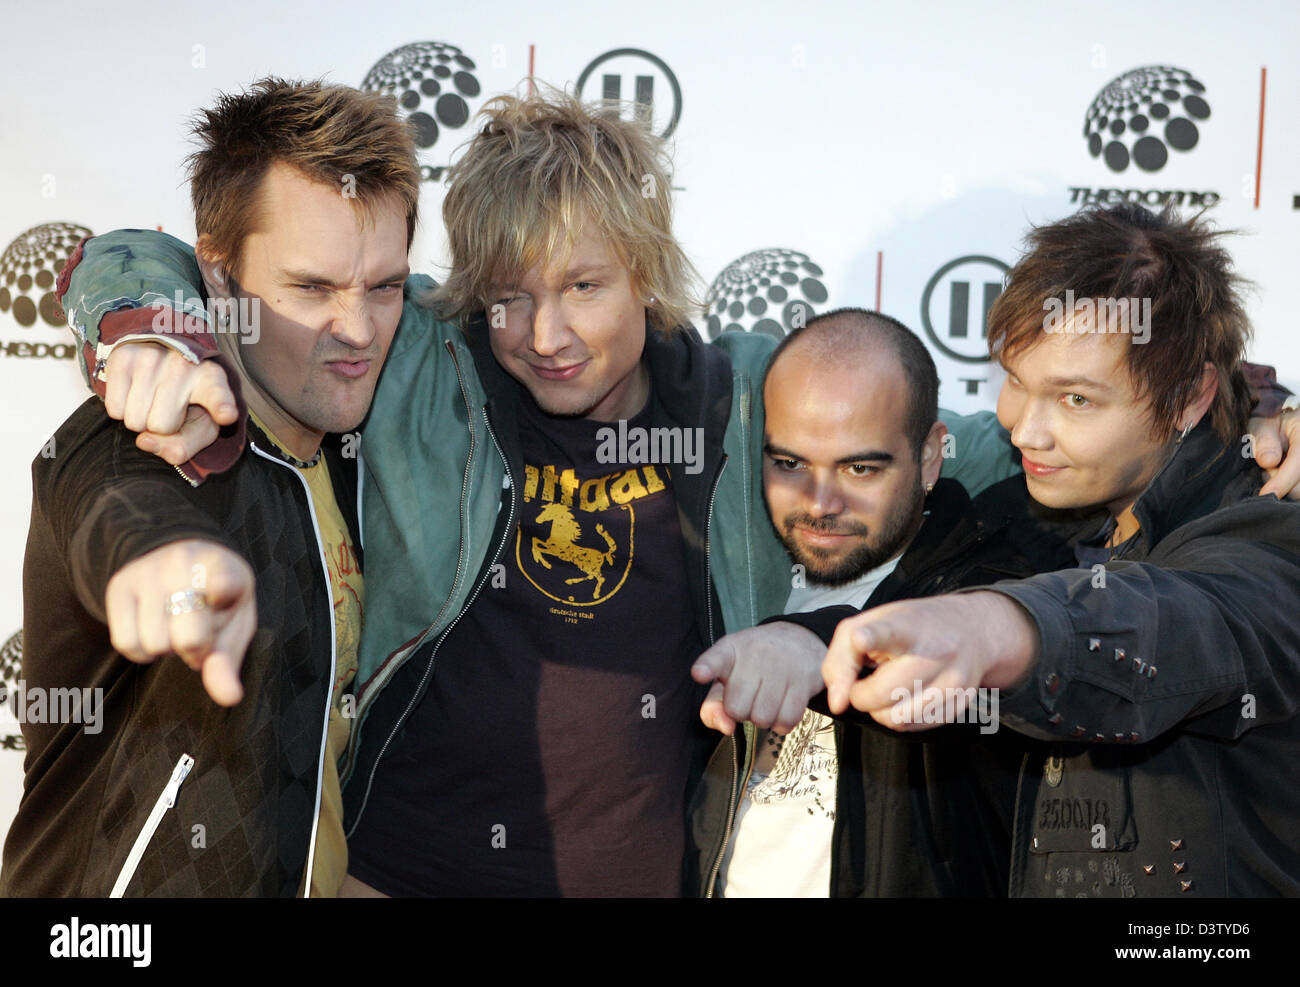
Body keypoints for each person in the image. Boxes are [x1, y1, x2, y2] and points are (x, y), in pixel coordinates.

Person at [51, 91, 1299, 895]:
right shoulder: (416, 362)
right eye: (509, 294)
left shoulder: (748, 396)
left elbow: (1007, 440)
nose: (541, 333)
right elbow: (155, 252)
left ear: (645, 272)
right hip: (394, 876)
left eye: (584, 288)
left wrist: (1250, 406)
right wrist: (150, 325)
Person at [0, 77, 418, 896]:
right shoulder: (151, 431)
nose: (360, 328)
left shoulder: (363, 458)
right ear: (219, 280)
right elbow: (111, 503)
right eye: (311, 287)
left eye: (385, 285)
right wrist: (159, 560)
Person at [820, 203, 1300, 896]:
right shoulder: (1036, 509)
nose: (1025, 430)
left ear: (1190, 396)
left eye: (1075, 400)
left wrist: (996, 626)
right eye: (1015, 379)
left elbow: (1180, 619)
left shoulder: (1273, 525)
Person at [687, 307, 1036, 897]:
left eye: (860, 467)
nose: (821, 502)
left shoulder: (992, 584)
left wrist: (811, 641)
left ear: (929, 457)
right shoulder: (728, 576)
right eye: (789, 463)